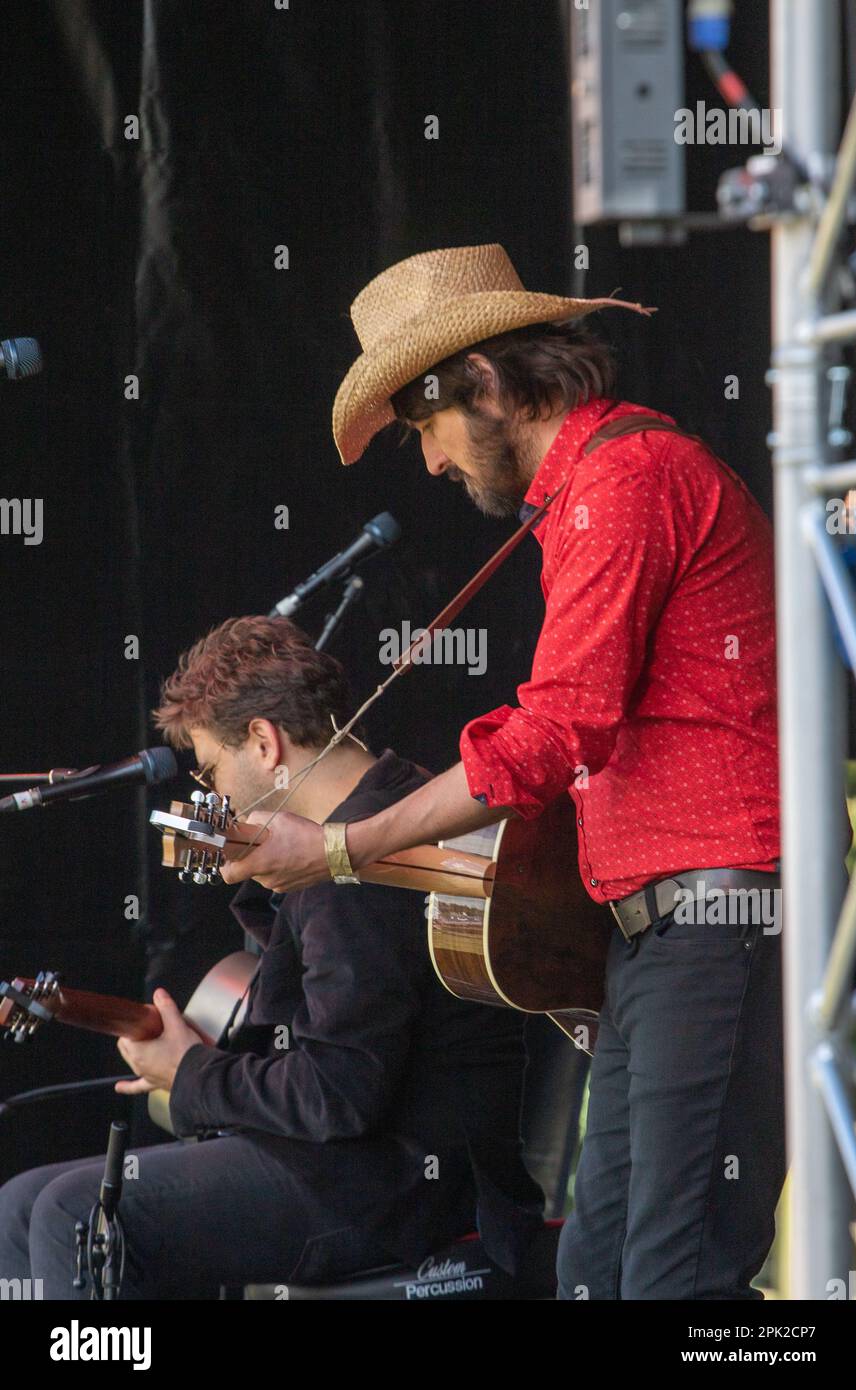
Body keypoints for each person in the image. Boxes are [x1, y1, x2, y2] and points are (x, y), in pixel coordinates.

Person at [219, 242, 795, 1300]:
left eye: (425, 426)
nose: (430, 461)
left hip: (719, 911)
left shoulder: (624, 479)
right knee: (594, 1266)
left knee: (675, 1272)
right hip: (662, 927)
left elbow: (553, 732)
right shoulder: (588, 493)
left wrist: (340, 848)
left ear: (482, 382)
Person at [0, 615, 544, 1299]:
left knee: (72, 1213)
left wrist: (190, 1072)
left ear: (263, 740)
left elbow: (339, 1097)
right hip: (370, 1162)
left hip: (394, 1185)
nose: (208, 795)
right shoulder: (382, 807)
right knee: (23, 1204)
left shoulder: (352, 865)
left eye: (209, 768)